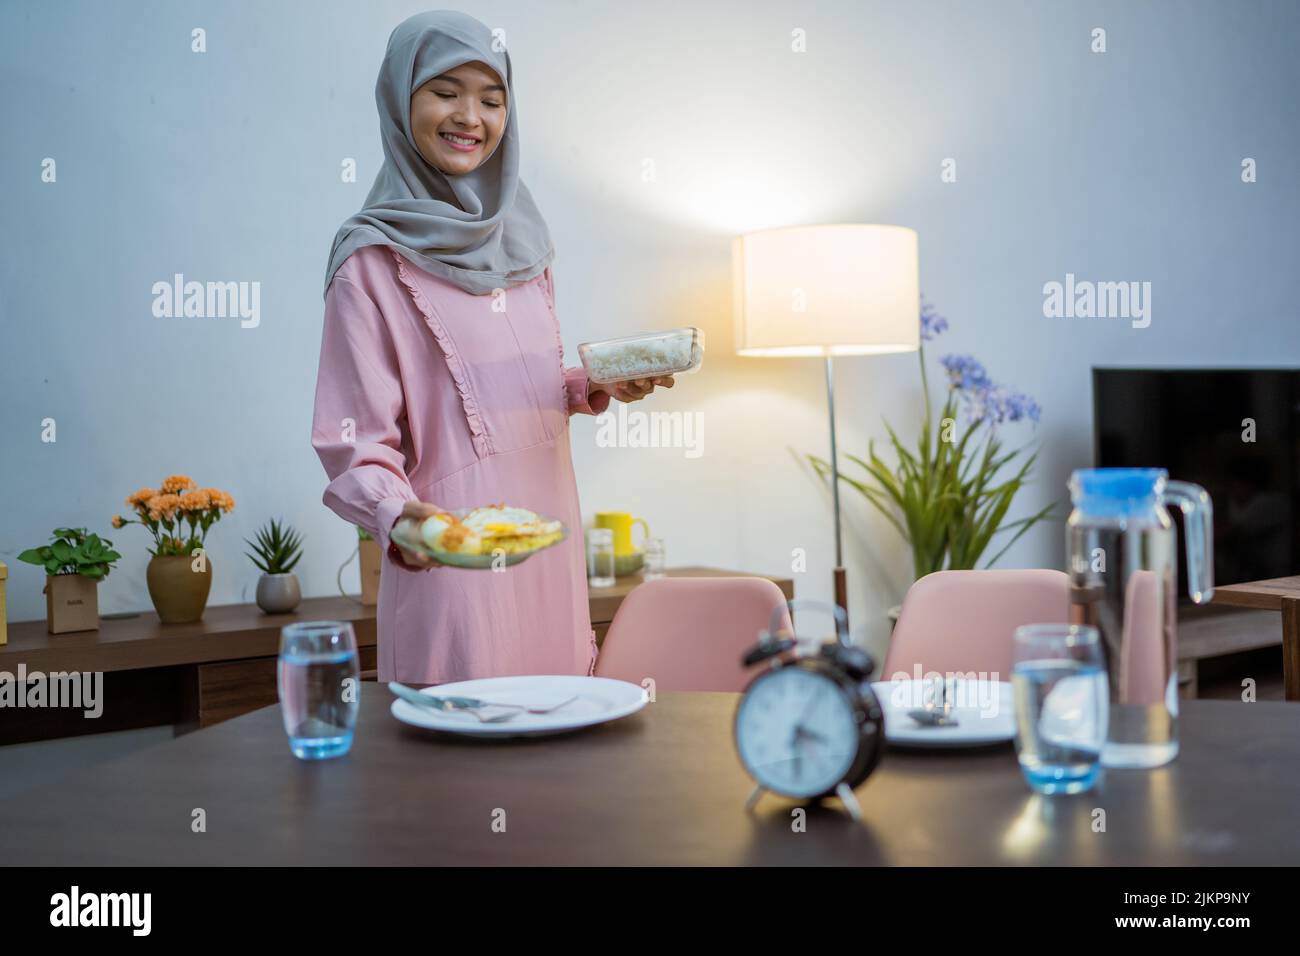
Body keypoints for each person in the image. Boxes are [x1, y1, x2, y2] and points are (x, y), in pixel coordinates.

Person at [312, 11, 671, 683]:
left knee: (560, 770)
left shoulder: (526, 246)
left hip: (549, 560)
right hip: (454, 572)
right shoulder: (368, 263)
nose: (469, 116)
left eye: (492, 97)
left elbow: (514, 388)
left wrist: (592, 384)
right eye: (445, 91)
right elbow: (352, 441)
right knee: (458, 778)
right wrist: (400, 519)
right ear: (400, 98)